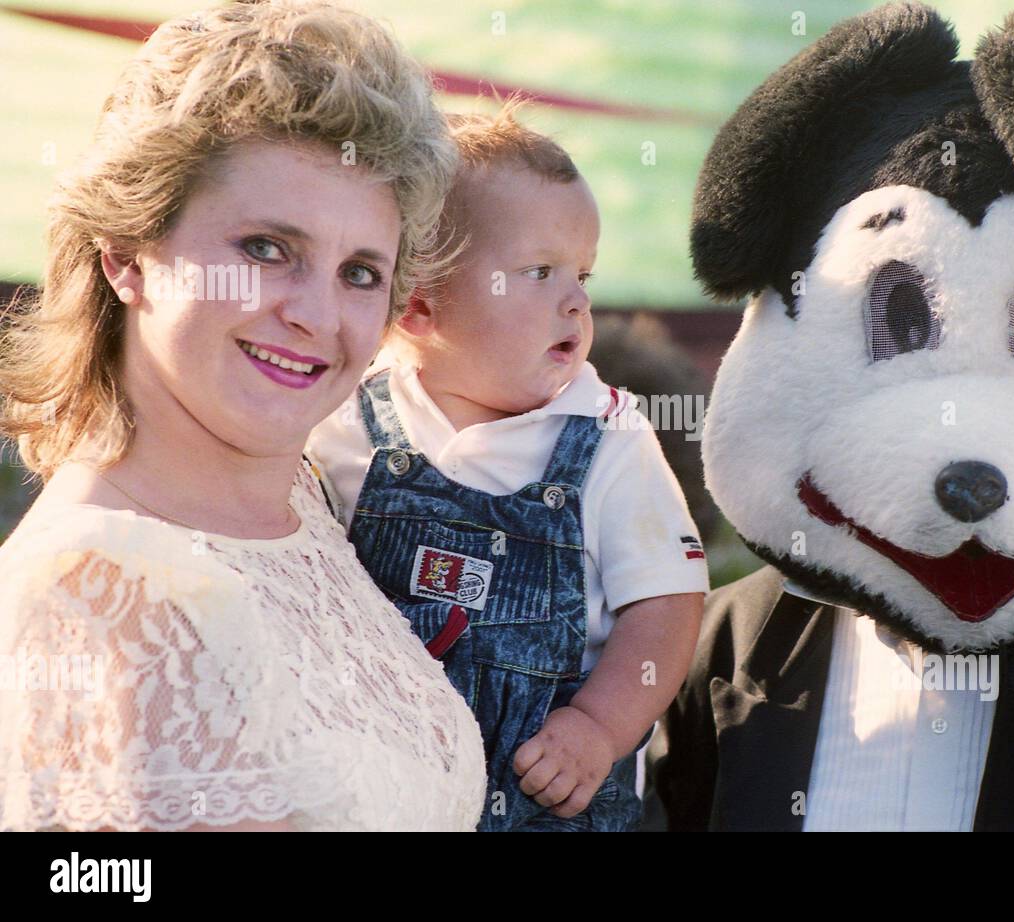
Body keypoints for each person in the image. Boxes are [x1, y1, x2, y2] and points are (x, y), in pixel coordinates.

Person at [0, 0, 486, 831]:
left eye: (361, 272)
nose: (316, 316)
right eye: (266, 249)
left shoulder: (303, 502)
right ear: (126, 255)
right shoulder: (91, 598)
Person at [306, 102, 707, 831]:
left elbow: (667, 602)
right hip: (380, 787)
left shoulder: (606, 435)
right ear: (420, 307)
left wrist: (597, 726)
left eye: (583, 272)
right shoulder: (341, 424)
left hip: (546, 795)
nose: (577, 301)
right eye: (539, 271)